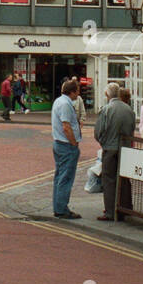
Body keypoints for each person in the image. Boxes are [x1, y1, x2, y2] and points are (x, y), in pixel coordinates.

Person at [94, 83, 137, 221]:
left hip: (110, 148)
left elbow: (98, 132)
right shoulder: (129, 109)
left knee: (109, 180)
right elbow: (132, 128)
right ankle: (126, 208)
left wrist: (103, 142)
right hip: (125, 148)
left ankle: (111, 212)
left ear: (107, 95)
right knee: (124, 179)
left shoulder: (106, 109)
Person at [50, 78, 82, 218]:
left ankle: (58, 207)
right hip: (66, 145)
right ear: (72, 92)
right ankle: (62, 208)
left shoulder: (59, 101)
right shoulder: (65, 104)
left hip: (59, 143)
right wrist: (74, 143)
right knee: (65, 177)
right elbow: (66, 126)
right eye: (77, 91)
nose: (78, 94)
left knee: (59, 176)